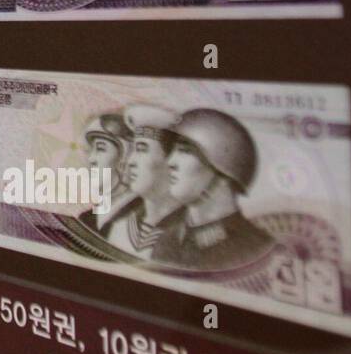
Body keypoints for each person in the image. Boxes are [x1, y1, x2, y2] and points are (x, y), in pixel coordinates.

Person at [151, 108, 276, 270]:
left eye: (185, 151)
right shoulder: (167, 242)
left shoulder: (257, 248)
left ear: (224, 169)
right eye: (172, 151)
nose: (170, 162)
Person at [99, 105, 184, 259]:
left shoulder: (187, 233)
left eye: (142, 149)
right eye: (133, 151)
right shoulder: (118, 225)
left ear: (170, 159)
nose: (130, 161)